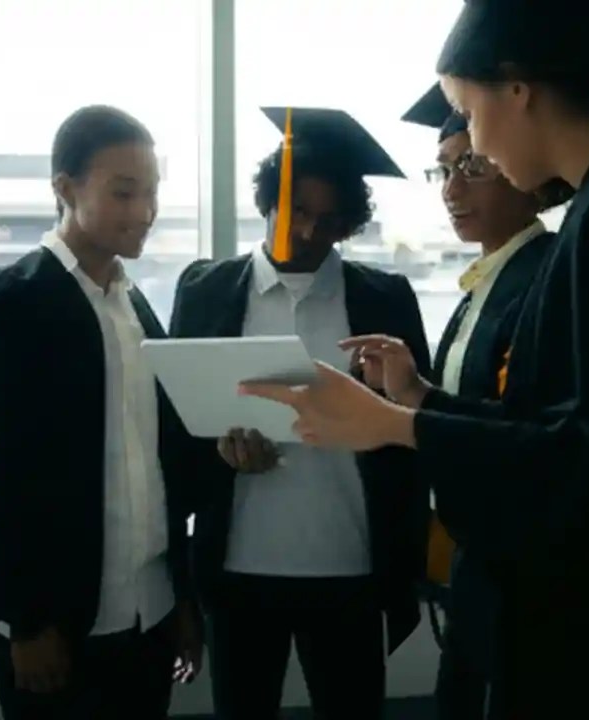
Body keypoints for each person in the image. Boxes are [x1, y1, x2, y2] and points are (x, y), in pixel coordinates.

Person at [239, 0, 589, 715]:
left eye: (468, 111)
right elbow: (562, 425)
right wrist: (422, 404)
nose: (478, 147)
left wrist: (394, 424)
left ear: (518, 90)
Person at [0, 104, 202, 720]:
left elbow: (158, 469)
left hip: (149, 614)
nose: (145, 211)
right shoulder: (7, 303)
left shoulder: (136, 310)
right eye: (124, 192)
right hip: (57, 626)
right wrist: (26, 622)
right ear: (64, 189)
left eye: (152, 192)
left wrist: (182, 598)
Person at [170, 107, 431, 719]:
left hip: (350, 564)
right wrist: (220, 453)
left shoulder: (383, 298)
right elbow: (176, 428)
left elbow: (414, 431)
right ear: (267, 201)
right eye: (296, 211)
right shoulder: (206, 290)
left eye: (328, 220)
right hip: (238, 567)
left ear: (348, 225)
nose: (309, 231)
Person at [401, 84, 567, 719]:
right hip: (473, 555)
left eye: (472, 166)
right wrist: (413, 390)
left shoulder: (545, 276)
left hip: (518, 560)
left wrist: (410, 411)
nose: (452, 190)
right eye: (443, 171)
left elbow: (523, 425)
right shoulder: (483, 283)